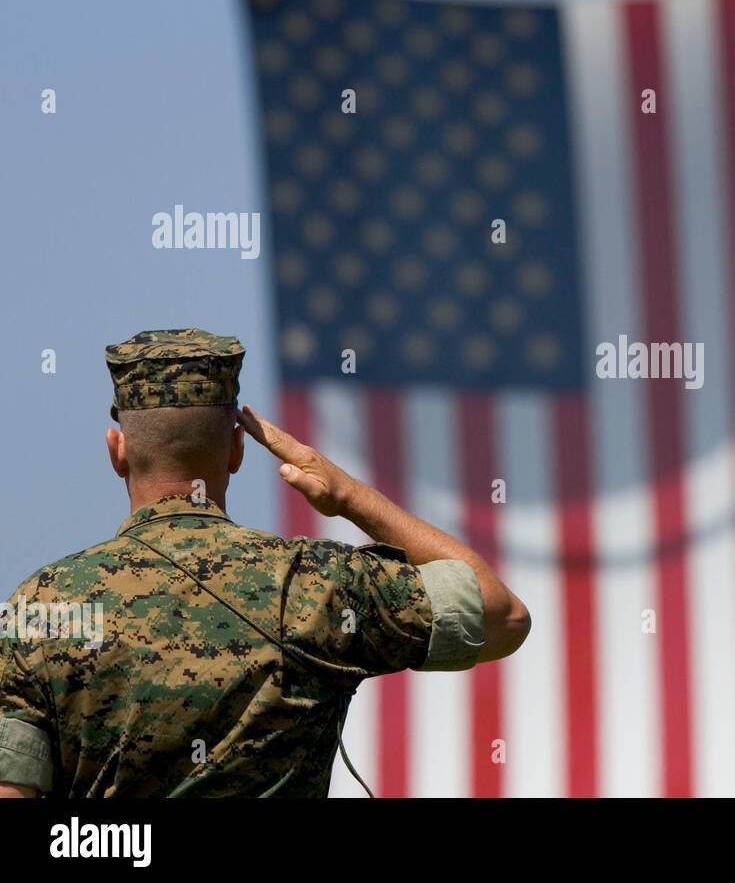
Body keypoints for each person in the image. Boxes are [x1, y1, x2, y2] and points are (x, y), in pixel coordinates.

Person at [0, 328, 529, 797]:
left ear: (118, 451)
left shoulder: (41, 607)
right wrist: (347, 497)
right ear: (237, 449)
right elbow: (502, 614)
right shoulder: (320, 584)